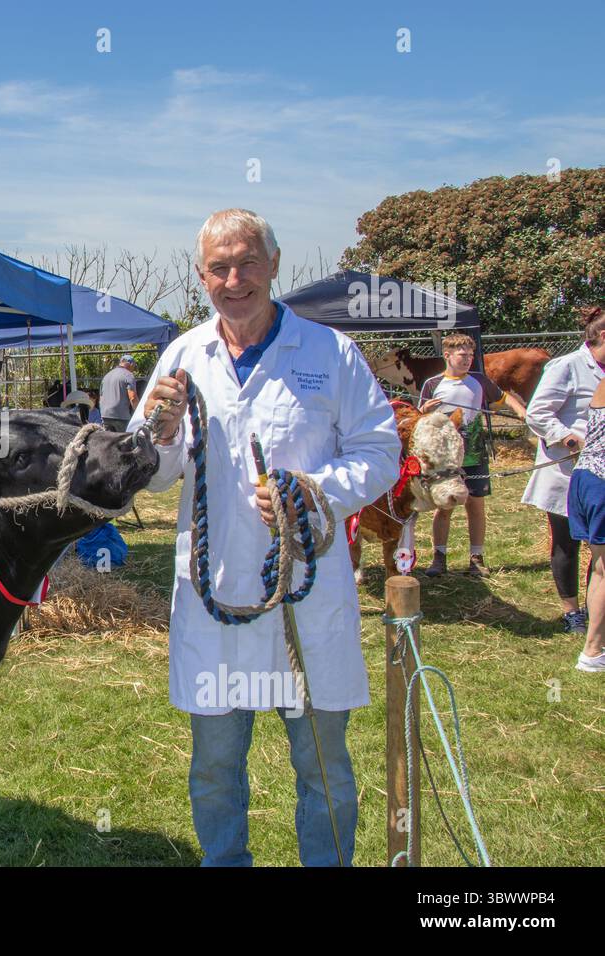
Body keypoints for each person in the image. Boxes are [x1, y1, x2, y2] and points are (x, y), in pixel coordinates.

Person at [128, 208, 399, 866]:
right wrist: (157, 437)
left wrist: (312, 490)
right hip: (215, 599)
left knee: (323, 770)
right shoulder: (183, 356)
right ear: (201, 277)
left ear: (275, 264)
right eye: (219, 267)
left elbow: (380, 449)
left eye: (248, 261)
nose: (235, 277)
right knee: (216, 770)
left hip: (303, 604)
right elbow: (150, 473)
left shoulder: (330, 352)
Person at [522, 305, 605, 633]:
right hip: (566, 473)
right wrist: (569, 439)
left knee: (599, 543)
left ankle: (594, 605)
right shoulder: (567, 367)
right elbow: (537, 413)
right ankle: (572, 612)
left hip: (599, 472)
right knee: (567, 541)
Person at [418, 333, 527, 577]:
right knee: (444, 506)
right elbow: (421, 418)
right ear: (447, 355)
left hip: (475, 453)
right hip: (446, 457)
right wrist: (424, 410)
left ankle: (476, 558)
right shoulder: (433, 384)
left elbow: (503, 398)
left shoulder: (479, 380)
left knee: (476, 505)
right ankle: (439, 557)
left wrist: (520, 409)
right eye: (462, 355)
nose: (467, 359)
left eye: (470, 355)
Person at [567, 374, 605, 672]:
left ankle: (595, 648)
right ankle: (592, 651)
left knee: (600, 567)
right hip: (600, 482)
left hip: (586, 477)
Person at [100, 354, 139, 432]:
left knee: (110, 442)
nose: (133, 369)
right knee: (125, 442)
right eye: (134, 366)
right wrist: (139, 413)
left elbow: (101, 397)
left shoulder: (107, 376)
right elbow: (133, 398)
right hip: (121, 416)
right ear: (130, 364)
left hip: (105, 415)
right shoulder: (128, 375)